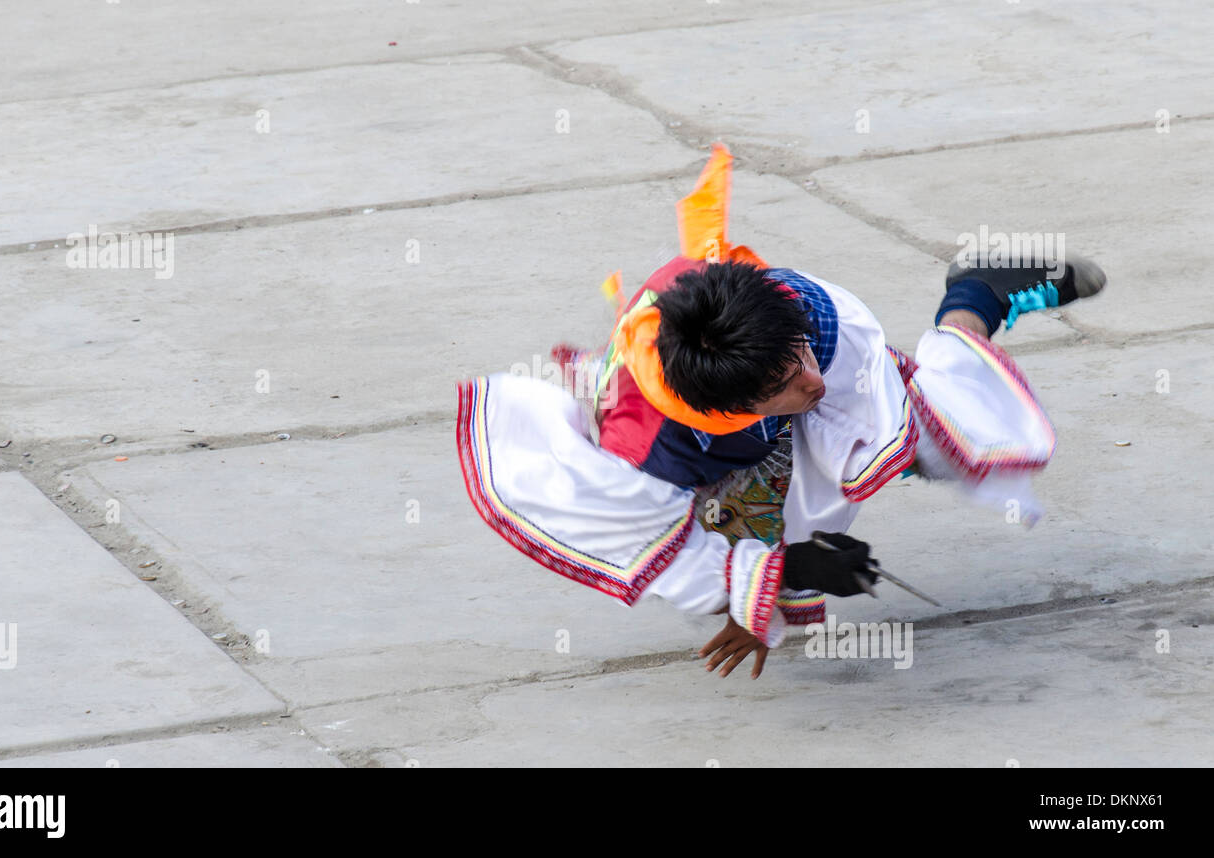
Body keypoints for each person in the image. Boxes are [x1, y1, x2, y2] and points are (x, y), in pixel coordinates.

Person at [456, 143, 1104, 679]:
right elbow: (668, 555)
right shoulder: (643, 452)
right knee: (715, 543)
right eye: (786, 387)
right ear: (734, 409)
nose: (812, 384)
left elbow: (832, 389)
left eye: (799, 358)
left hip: (774, 360)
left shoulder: (797, 310)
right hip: (708, 455)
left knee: (939, 442)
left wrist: (821, 508)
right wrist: (783, 570)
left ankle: (977, 291)